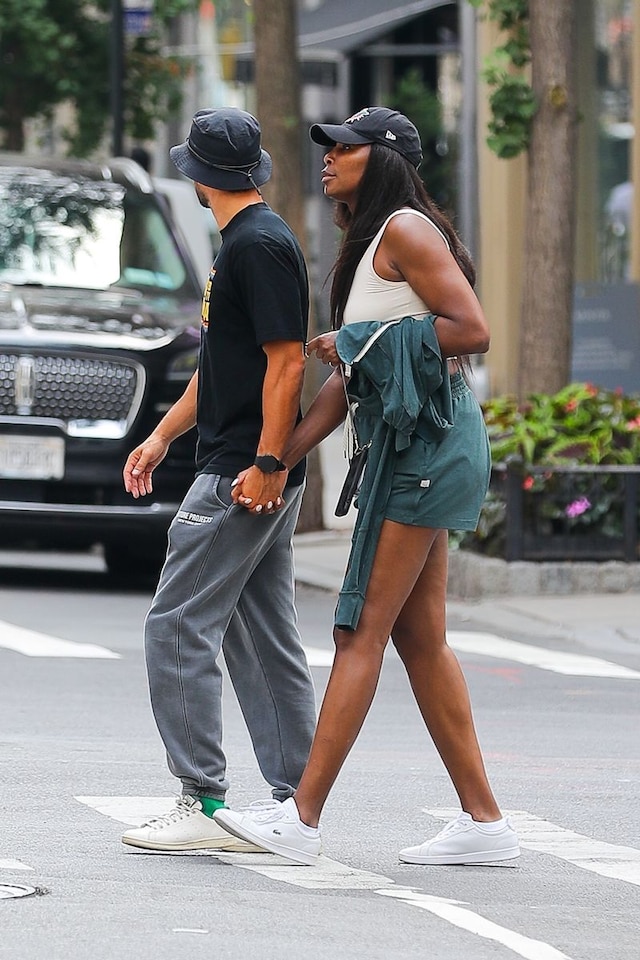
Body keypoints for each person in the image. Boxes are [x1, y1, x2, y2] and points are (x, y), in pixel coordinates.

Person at [215, 107, 520, 866]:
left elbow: (473, 329)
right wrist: (277, 459)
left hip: (427, 450)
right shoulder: (372, 241)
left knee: (359, 632)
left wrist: (358, 338)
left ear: (381, 158)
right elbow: (345, 384)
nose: (327, 157)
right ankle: (485, 824)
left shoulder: (408, 229)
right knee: (419, 638)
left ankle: (301, 819)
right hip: (415, 449)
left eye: (343, 148)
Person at [120, 107, 317, 852]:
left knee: (176, 626)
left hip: (242, 472)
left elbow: (287, 362)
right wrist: (161, 436)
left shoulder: (257, 245)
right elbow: (224, 365)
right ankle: (298, 802)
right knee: (261, 635)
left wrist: (266, 463)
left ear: (199, 177)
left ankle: (202, 801)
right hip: (249, 464)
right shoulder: (246, 241)